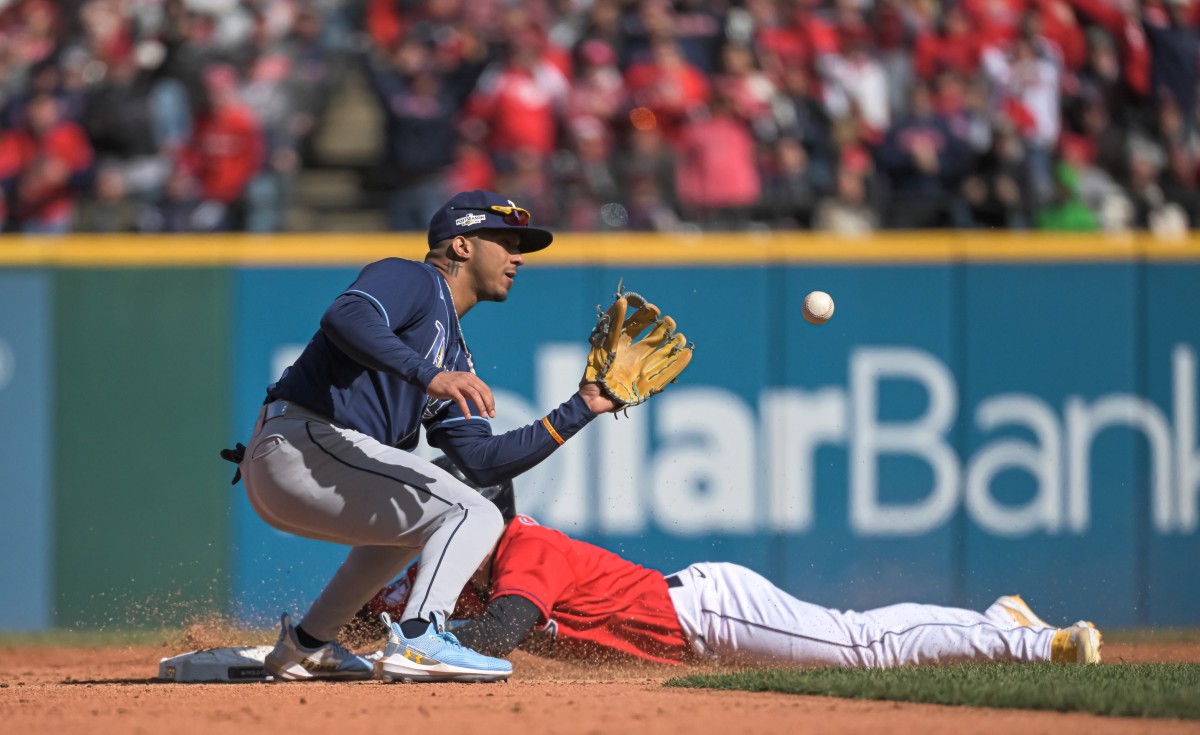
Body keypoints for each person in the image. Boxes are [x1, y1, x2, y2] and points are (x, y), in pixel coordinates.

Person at [226, 189, 621, 683]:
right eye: (504, 240)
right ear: (461, 246)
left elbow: (481, 462)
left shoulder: (455, 355)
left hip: (307, 462)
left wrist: (580, 409)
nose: (518, 256)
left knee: (430, 518)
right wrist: (426, 375)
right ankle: (419, 638)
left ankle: (306, 645)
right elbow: (345, 317)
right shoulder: (413, 277)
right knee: (468, 512)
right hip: (302, 443)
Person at [359, 458, 1104, 669]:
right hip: (691, 629)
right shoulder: (462, 570)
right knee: (857, 643)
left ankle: (1028, 637)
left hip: (708, 612)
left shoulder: (528, 547)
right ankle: (1006, 629)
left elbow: (498, 636)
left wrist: (404, 637)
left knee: (861, 648)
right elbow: (376, 611)